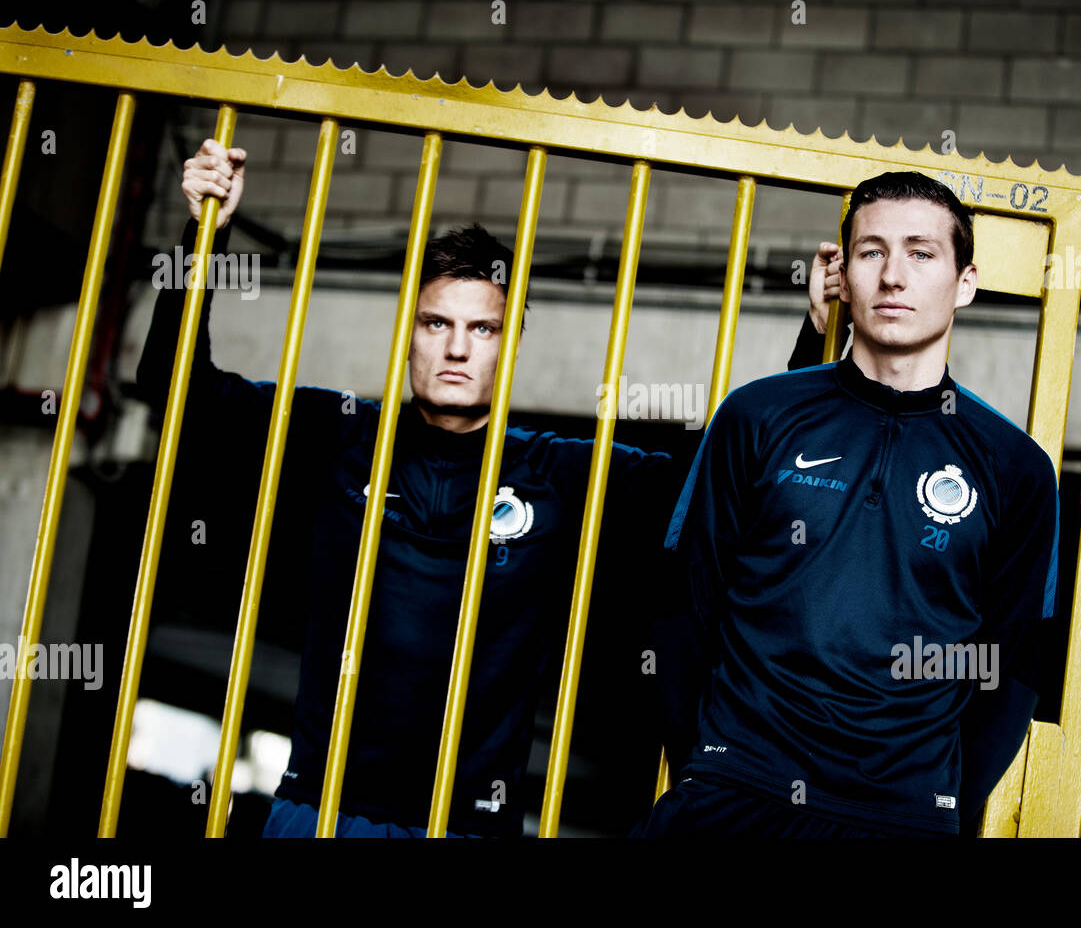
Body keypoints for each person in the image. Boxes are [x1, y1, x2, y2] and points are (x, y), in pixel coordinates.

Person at [137, 140, 826, 837]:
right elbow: (175, 389)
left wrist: (817, 336)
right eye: (437, 323)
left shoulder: (557, 473)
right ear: (410, 333)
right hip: (319, 814)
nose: (457, 347)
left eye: (482, 328)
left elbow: (732, 482)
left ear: (511, 342)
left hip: (468, 828)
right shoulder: (341, 437)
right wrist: (204, 231)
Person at [636, 171, 1060, 837]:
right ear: (842, 274)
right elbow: (682, 606)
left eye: (922, 253)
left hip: (897, 817)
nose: (895, 275)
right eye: (872, 251)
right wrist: (711, 765)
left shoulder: (1016, 468)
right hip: (731, 794)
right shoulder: (756, 415)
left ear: (966, 281)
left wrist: (932, 806)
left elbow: (1012, 668)